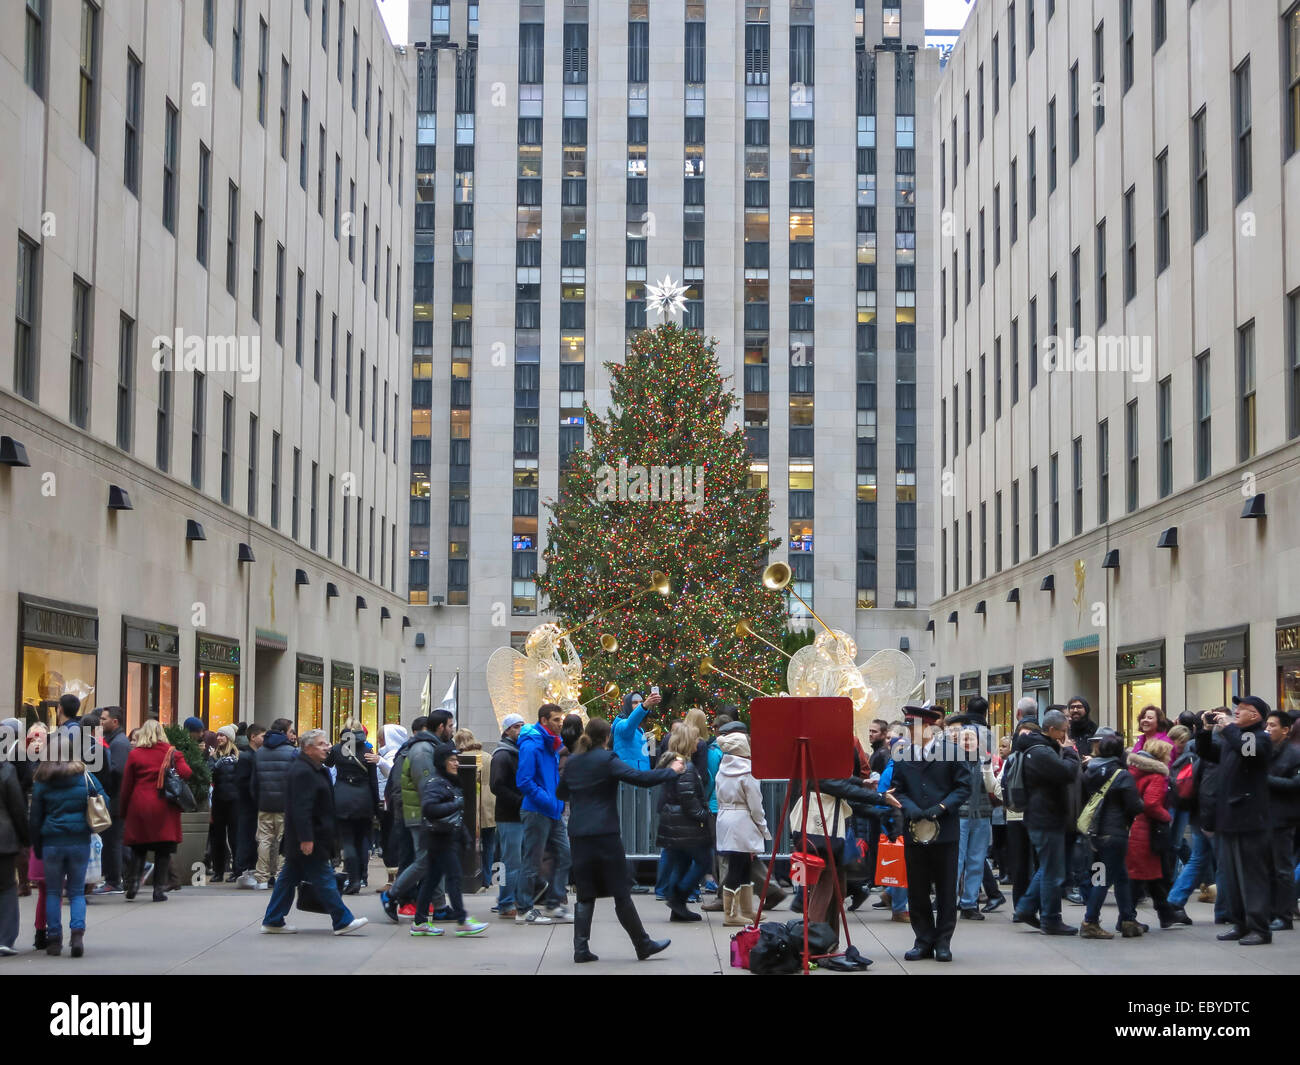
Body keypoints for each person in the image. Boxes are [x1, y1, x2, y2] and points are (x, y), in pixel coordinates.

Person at [260, 729, 368, 935]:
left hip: (312, 834)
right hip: (310, 836)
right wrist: (306, 838)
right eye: (321, 744)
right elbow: (301, 809)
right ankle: (342, 920)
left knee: (288, 878)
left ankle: (273, 919)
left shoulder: (314, 769)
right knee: (323, 877)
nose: (327, 747)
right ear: (308, 748)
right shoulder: (302, 771)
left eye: (326, 743)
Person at [888, 705, 972, 962]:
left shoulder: (951, 752)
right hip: (915, 830)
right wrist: (911, 808)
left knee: (946, 889)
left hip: (944, 829)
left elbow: (964, 786)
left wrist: (942, 807)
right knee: (917, 888)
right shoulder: (902, 754)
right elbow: (898, 789)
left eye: (912, 727)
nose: (908, 732)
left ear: (928, 727)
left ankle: (943, 941)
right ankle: (923, 939)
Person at [1196, 696, 1274, 945]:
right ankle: (1240, 923)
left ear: (1256, 716)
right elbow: (1207, 752)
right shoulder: (1234, 740)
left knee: (1252, 876)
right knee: (1232, 877)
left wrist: (1228, 727)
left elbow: (1248, 751)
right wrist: (1206, 730)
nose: (1236, 712)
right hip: (1229, 817)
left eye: (1243, 709)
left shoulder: (1258, 738)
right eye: (1236, 709)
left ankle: (1259, 928)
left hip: (1249, 818)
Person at [29, 733, 107, 957]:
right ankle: (77, 934)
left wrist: (37, 844)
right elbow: (104, 801)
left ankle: (54, 939)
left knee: (53, 892)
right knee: (75, 892)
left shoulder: (42, 780)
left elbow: (35, 818)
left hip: (52, 842)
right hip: (79, 840)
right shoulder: (85, 776)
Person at [1012, 709, 1081, 935]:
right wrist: (1070, 752)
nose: (1065, 736)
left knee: (1049, 867)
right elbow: (1067, 773)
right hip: (1046, 816)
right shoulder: (1041, 752)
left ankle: (1027, 907)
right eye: (1063, 731)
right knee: (1053, 871)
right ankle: (1050, 918)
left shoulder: (1036, 748)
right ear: (1051, 730)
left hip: (1042, 816)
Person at [382, 709, 454, 921]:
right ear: (440, 727)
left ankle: (440, 907)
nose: (452, 729)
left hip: (426, 812)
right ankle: (392, 895)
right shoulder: (423, 750)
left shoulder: (431, 747)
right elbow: (427, 786)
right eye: (450, 725)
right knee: (425, 860)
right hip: (422, 814)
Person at [411, 745, 488, 938]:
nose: (456, 763)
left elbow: (454, 815)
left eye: (457, 760)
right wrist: (455, 804)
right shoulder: (438, 783)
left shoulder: (447, 782)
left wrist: (463, 834)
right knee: (453, 877)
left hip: (442, 837)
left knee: (432, 880)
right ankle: (462, 920)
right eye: (452, 760)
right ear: (442, 762)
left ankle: (420, 922)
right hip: (440, 838)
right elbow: (429, 808)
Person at [118, 719, 192, 903]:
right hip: (164, 806)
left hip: (139, 804)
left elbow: (126, 785)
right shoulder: (171, 753)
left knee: (138, 849)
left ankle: (133, 884)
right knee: (163, 850)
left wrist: (123, 809)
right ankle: (159, 890)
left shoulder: (135, 754)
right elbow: (187, 773)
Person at [1079, 733, 1143, 939]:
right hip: (1115, 832)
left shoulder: (1089, 771)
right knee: (1104, 879)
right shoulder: (1122, 774)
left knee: (1116, 875)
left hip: (1095, 833)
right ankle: (1090, 921)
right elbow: (1134, 805)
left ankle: (1128, 919)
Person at [516, 703, 573, 924]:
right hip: (538, 811)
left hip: (551, 810)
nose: (561, 724)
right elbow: (524, 781)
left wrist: (553, 801)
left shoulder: (549, 744)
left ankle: (552, 904)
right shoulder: (533, 745)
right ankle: (524, 908)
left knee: (565, 854)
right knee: (532, 860)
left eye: (561, 720)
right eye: (556, 720)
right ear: (543, 721)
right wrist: (548, 800)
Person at [1125, 739, 1187, 929]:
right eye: (1168, 754)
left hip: (1135, 828)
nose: (1170, 757)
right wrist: (1166, 816)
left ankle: (1166, 914)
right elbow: (1151, 804)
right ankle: (1128, 917)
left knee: (1154, 874)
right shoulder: (1157, 775)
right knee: (1141, 876)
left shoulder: (1134, 770)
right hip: (1149, 830)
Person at [714, 727, 770, 927]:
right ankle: (732, 914)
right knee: (738, 867)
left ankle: (746, 909)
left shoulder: (723, 769)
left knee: (743, 864)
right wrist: (763, 827)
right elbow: (756, 805)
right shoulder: (749, 772)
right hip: (743, 820)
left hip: (725, 817)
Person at [655, 722, 712, 922]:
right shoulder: (686, 767)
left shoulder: (675, 763)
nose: (699, 742)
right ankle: (678, 897)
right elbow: (688, 796)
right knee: (704, 860)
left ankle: (677, 905)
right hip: (686, 823)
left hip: (674, 820)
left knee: (682, 861)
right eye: (696, 738)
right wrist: (703, 814)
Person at [950, 698, 995, 921]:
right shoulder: (986, 737)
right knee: (973, 857)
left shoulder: (957, 741)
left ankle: (958, 901)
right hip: (975, 808)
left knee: (963, 857)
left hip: (968, 808)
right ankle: (966, 902)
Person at [329, 720, 379, 895]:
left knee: (348, 841)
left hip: (342, 796)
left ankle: (353, 878)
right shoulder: (367, 751)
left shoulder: (337, 749)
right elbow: (373, 780)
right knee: (362, 840)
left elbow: (328, 763)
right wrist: (375, 805)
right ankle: (363, 875)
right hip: (363, 797)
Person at [248, 718, 296, 890]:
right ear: (283, 733)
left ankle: (261, 878)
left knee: (264, 840)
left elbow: (254, 783)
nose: (293, 734)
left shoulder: (260, 752)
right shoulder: (292, 752)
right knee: (284, 840)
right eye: (291, 731)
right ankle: (281, 876)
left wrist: (259, 800)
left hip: (265, 803)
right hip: (285, 805)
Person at [1264, 707, 1300, 931]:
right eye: (1266, 725)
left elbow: (1296, 785)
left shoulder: (1294, 754)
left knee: (1283, 869)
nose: (1268, 730)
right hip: (1264, 817)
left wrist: (1265, 780)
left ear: (1286, 730)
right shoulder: (1266, 751)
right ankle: (1270, 911)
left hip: (1283, 819)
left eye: (1273, 726)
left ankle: (1284, 915)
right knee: (1268, 868)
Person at [90, 706, 131, 895]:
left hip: (116, 800)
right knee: (112, 840)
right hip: (114, 798)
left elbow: (118, 771)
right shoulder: (113, 741)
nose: (101, 722)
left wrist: (106, 788)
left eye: (104, 719)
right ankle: (123, 874)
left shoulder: (119, 743)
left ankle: (114, 881)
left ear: (115, 721)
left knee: (113, 840)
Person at [491, 714, 526, 919]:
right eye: (515, 727)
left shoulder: (514, 752)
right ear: (506, 730)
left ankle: (510, 899)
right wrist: (519, 801)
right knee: (510, 862)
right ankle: (505, 902)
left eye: (522, 725)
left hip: (515, 814)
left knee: (514, 861)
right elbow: (497, 786)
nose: (520, 730)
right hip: (509, 815)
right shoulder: (503, 754)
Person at [454, 728, 496, 893]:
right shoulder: (488, 756)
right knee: (489, 843)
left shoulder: (460, 759)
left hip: (472, 802)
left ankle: (473, 876)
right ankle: (487, 878)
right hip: (491, 801)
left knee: (472, 843)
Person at [0, 746, 30, 956]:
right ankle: (5, 938)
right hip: (4, 838)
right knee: (7, 886)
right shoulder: (6, 771)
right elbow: (18, 808)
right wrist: (25, 838)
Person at [375, 723, 409, 893]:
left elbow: (392, 773)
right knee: (387, 840)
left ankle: (395, 880)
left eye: (382, 737)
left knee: (392, 841)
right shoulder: (387, 754)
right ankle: (391, 879)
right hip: (384, 802)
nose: (379, 740)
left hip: (392, 804)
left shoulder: (396, 755)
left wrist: (380, 761)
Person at [208, 726, 241, 883]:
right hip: (218, 800)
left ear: (229, 738)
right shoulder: (214, 755)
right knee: (217, 837)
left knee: (234, 837)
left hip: (234, 801)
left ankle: (237, 870)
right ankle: (218, 871)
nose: (219, 738)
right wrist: (214, 763)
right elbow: (208, 773)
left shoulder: (238, 755)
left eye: (223, 735)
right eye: (218, 735)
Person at [234, 724, 265, 885]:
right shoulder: (247, 756)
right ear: (253, 737)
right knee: (247, 835)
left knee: (251, 835)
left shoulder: (254, 755)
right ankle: (244, 868)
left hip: (251, 803)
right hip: (248, 804)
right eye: (262, 736)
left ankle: (248, 868)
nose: (264, 739)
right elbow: (242, 781)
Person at [613, 690, 660, 770]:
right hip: (628, 779)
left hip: (641, 779)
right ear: (627, 705)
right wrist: (644, 705)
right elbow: (629, 725)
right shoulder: (620, 724)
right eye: (635, 702)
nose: (639, 705)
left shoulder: (640, 730)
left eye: (641, 702)